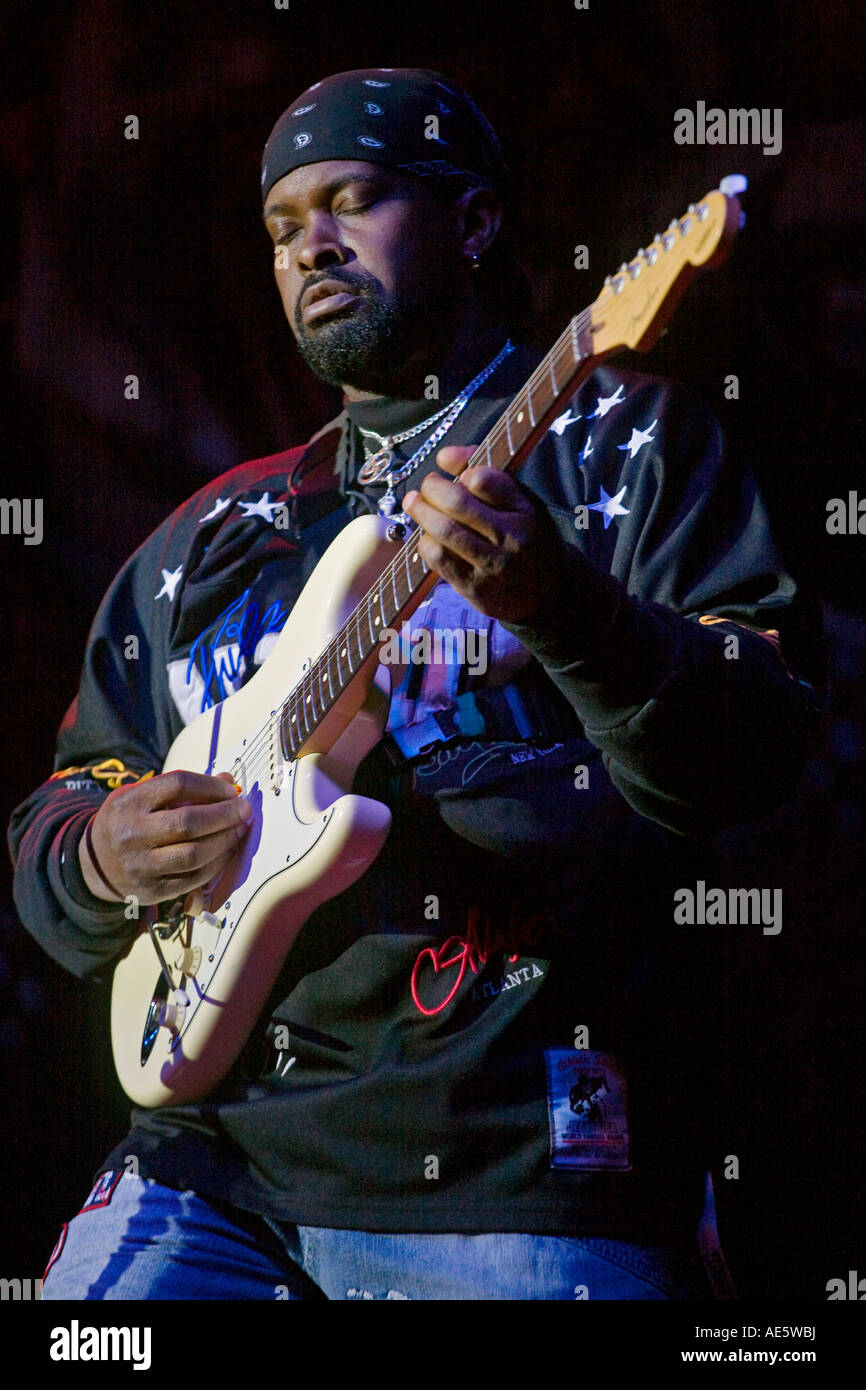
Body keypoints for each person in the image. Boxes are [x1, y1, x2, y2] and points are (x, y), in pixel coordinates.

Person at [9, 68, 820, 1301]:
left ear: (474, 221)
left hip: (521, 1172)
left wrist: (562, 602)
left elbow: (755, 743)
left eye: (351, 200)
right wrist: (105, 852)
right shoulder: (213, 534)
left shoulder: (622, 449)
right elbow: (67, 802)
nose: (309, 246)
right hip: (203, 1168)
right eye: (283, 226)